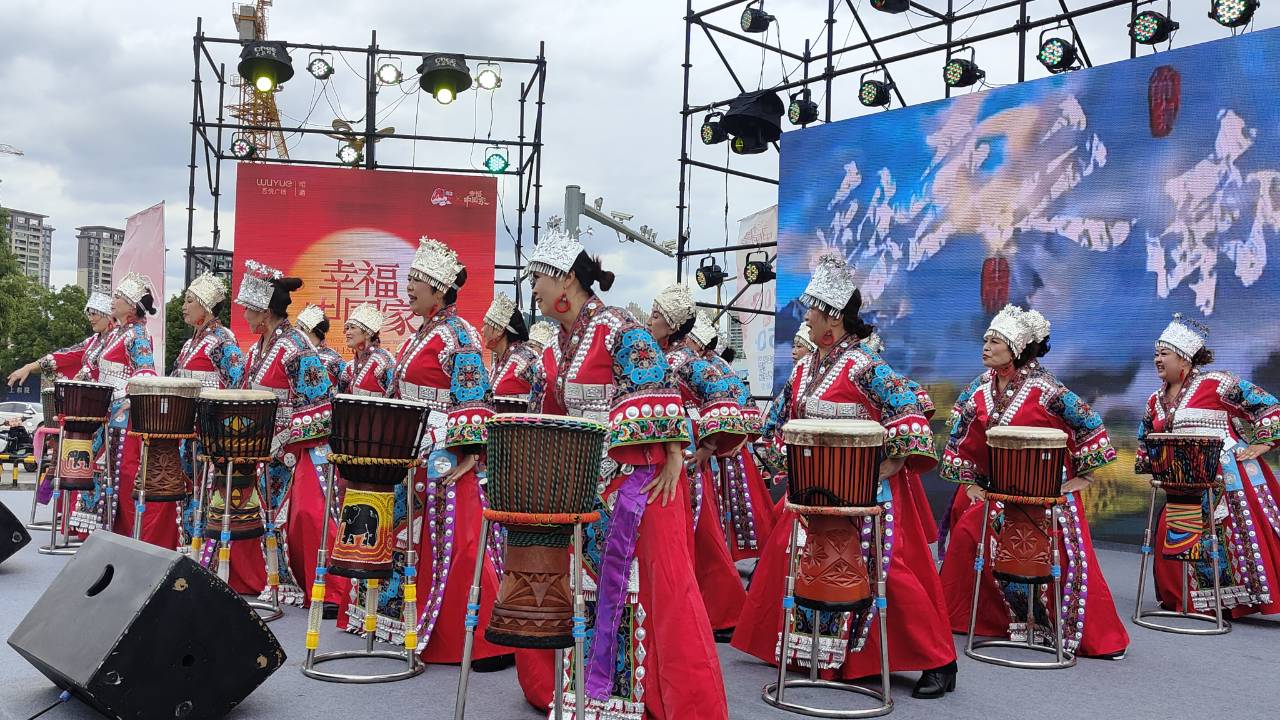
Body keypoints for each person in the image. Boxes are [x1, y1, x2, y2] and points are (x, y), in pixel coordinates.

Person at [516, 229, 727, 720]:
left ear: (566, 279)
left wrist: (675, 449)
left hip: (638, 485)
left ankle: (669, 700)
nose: (534, 288)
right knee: (580, 585)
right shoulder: (564, 342)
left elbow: (656, 380)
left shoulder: (617, 327)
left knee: (659, 589)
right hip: (586, 487)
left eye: (539, 278)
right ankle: (586, 688)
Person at [731, 254, 957, 699]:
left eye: (811, 310)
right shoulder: (802, 370)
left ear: (832, 318)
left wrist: (888, 465)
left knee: (886, 574)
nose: (806, 317)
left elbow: (911, 414)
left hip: (864, 494)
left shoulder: (864, 367)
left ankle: (940, 661)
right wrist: (769, 458)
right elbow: (778, 422)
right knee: (793, 558)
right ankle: (808, 652)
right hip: (813, 491)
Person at [938, 304, 1129, 659]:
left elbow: (1089, 425)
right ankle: (981, 621)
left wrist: (1083, 477)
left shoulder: (1048, 391)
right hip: (998, 490)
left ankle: (1069, 631)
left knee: (1061, 552)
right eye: (985, 339)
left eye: (995, 341)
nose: (986, 346)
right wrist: (969, 483)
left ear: (1015, 349)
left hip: (1046, 494)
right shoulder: (977, 391)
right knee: (968, 532)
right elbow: (959, 438)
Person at [382, 237, 509, 670]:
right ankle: (422, 625)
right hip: (418, 450)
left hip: (448, 452)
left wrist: (468, 451)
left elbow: (473, 395)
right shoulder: (423, 333)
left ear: (439, 288)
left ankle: (486, 639)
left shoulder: (459, 333)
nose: (409, 286)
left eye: (416, 280)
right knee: (424, 540)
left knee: (462, 539)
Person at [1136, 314, 1280, 618]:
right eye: (1155, 354)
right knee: (1173, 533)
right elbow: (1146, 438)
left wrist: (1264, 442)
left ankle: (1236, 601)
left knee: (1232, 536)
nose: (1157, 360)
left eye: (1164, 354)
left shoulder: (1217, 384)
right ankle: (1191, 601)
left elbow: (1268, 406)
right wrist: (1154, 467)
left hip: (1227, 479)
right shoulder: (1154, 400)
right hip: (1183, 481)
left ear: (1184, 358)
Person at [235, 259, 346, 610]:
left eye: (249, 311)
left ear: (265, 312)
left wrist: (287, 439)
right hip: (261, 446)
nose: (245, 318)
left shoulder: (296, 346)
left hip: (294, 450)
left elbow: (320, 403)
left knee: (305, 516)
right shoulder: (258, 350)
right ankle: (267, 579)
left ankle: (321, 586)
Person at [646, 288, 747, 641]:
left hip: (684, 451)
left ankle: (724, 611)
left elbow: (725, 393)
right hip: (662, 448)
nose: (649, 320)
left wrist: (708, 446)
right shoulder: (653, 356)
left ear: (672, 325)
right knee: (693, 534)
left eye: (656, 315)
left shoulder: (687, 362)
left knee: (702, 532)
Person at [7, 292, 117, 532]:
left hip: (108, 413)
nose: (90, 318)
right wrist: (29, 366)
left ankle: (97, 527)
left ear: (109, 315)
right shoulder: (93, 343)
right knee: (77, 465)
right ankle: (77, 522)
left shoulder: (118, 340)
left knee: (97, 470)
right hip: (85, 415)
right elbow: (60, 356)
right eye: (89, 314)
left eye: (95, 313)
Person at [691, 313, 777, 563]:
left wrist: (720, 438)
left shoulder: (713, 367)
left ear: (698, 343)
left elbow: (744, 409)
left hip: (724, 451)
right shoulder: (708, 364)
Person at [171, 272, 245, 552]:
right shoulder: (191, 344)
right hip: (188, 430)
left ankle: (207, 550)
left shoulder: (222, 339)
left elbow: (238, 381)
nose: (184, 306)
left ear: (206, 305)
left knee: (208, 488)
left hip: (211, 431)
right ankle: (190, 542)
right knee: (190, 486)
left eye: (190, 300)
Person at [94, 273, 161, 543]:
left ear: (132, 306)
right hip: (112, 412)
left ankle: (128, 535)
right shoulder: (117, 333)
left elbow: (146, 371)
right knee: (111, 474)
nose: (113, 300)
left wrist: (126, 402)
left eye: (119, 297)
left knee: (125, 474)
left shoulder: (137, 334)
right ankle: (114, 534)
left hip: (125, 415)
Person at [480, 292, 537, 412]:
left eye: (486, 324)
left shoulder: (525, 361)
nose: (482, 330)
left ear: (499, 330)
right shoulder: (500, 361)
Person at [335, 303, 393, 396]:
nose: (347, 332)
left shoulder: (383, 361)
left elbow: (395, 396)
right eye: (347, 328)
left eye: (353, 328)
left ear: (367, 334)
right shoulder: (349, 367)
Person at [298, 304, 345, 387]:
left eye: (299, 327)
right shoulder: (295, 354)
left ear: (309, 329)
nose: (296, 331)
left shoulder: (333, 359)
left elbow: (344, 388)